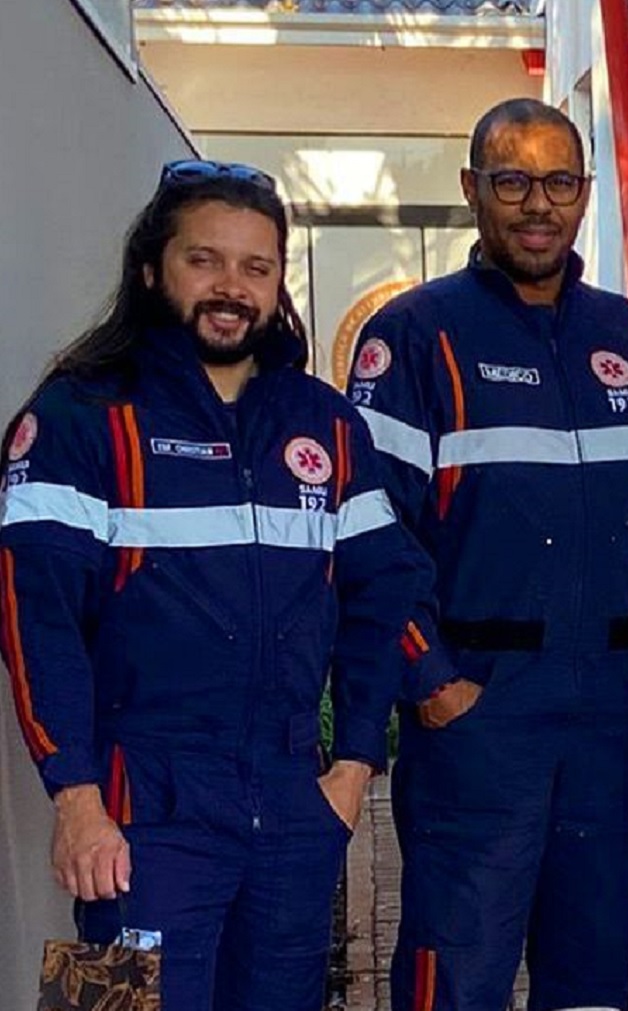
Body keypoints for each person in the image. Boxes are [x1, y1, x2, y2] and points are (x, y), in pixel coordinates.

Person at [0, 160, 446, 1010]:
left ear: (278, 283)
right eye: (203, 260)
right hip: (139, 814)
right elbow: (34, 620)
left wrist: (354, 764)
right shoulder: (76, 418)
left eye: (256, 266)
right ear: (150, 269)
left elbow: (384, 589)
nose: (231, 287)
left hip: (292, 811)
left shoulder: (322, 423)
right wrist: (76, 798)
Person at [348, 98, 628, 1011]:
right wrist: (432, 679)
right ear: (472, 189)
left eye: (559, 182)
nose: (539, 204)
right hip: (479, 710)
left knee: (592, 975)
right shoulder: (414, 336)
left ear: (586, 194)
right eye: (512, 181)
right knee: (458, 973)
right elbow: (369, 531)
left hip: (608, 713)